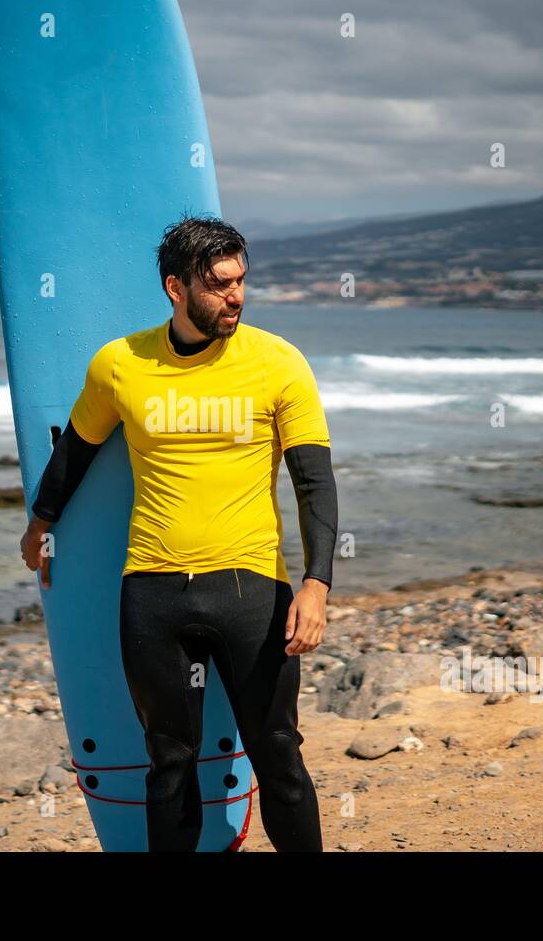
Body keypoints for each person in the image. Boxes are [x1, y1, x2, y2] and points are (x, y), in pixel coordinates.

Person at [19, 215, 338, 851]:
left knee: (277, 754)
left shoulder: (278, 362)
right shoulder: (121, 365)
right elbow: (76, 453)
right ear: (176, 287)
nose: (236, 296)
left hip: (252, 590)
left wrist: (317, 584)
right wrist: (41, 525)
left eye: (241, 280)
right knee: (168, 764)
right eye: (220, 284)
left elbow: (314, 482)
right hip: (154, 593)